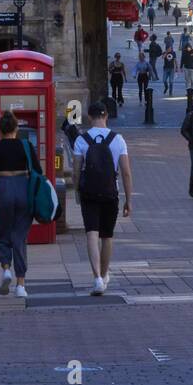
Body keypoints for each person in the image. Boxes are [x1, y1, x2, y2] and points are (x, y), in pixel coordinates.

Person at [0, 111, 39, 297]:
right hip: (23, 188)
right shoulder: (26, 145)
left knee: (3, 232)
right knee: (19, 236)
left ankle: (5, 268)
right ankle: (21, 285)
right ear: (16, 128)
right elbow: (38, 171)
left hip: (2, 187)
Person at [72, 102, 133, 296]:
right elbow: (126, 173)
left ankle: (97, 277)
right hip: (110, 192)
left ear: (90, 117)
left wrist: (77, 192)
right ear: (106, 115)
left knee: (91, 234)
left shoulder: (81, 140)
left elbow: (75, 172)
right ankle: (105, 275)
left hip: (89, 193)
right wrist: (128, 199)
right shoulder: (118, 140)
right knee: (107, 236)